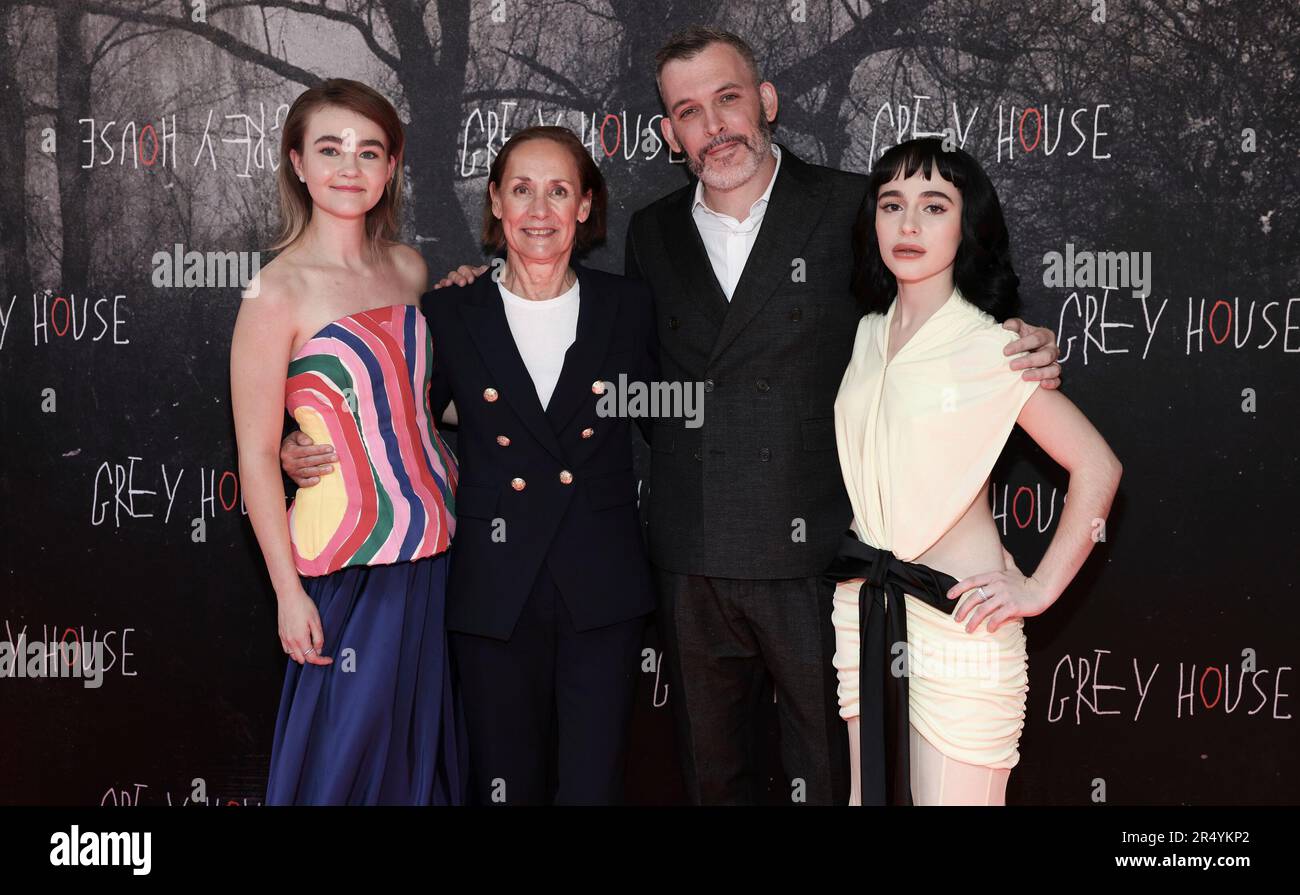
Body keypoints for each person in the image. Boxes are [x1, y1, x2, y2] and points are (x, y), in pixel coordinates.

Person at [432, 26, 1063, 806]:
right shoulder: (652, 233)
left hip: (817, 554)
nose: (715, 124)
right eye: (690, 110)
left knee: (828, 773)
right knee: (710, 776)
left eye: (728, 98)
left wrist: (1012, 331)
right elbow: (631, 380)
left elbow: (925, 301)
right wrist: (479, 291)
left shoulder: (847, 206)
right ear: (670, 133)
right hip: (690, 556)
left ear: (766, 101)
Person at [284, 126, 658, 804]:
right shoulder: (451, 312)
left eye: (558, 191)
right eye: (521, 190)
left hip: (601, 587)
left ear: (584, 206)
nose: (538, 210)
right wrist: (300, 441)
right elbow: (392, 415)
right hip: (495, 589)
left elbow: (671, 420)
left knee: (593, 788)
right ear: (495, 201)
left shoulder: (630, 306)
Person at [828, 137, 1122, 806]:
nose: (907, 225)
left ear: (967, 226)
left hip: (963, 625)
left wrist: (1039, 587)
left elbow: (1098, 465)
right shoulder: (867, 332)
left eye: (934, 206)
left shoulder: (994, 346)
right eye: (891, 204)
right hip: (863, 609)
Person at [230, 79, 464, 805]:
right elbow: (256, 456)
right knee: (344, 765)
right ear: (297, 161)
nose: (349, 166)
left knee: (419, 760)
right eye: (329, 148)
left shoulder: (411, 269)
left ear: (391, 166)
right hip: (345, 565)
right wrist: (287, 594)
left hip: (435, 547)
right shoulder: (273, 292)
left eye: (369, 151)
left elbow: (422, 407)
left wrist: (483, 311)